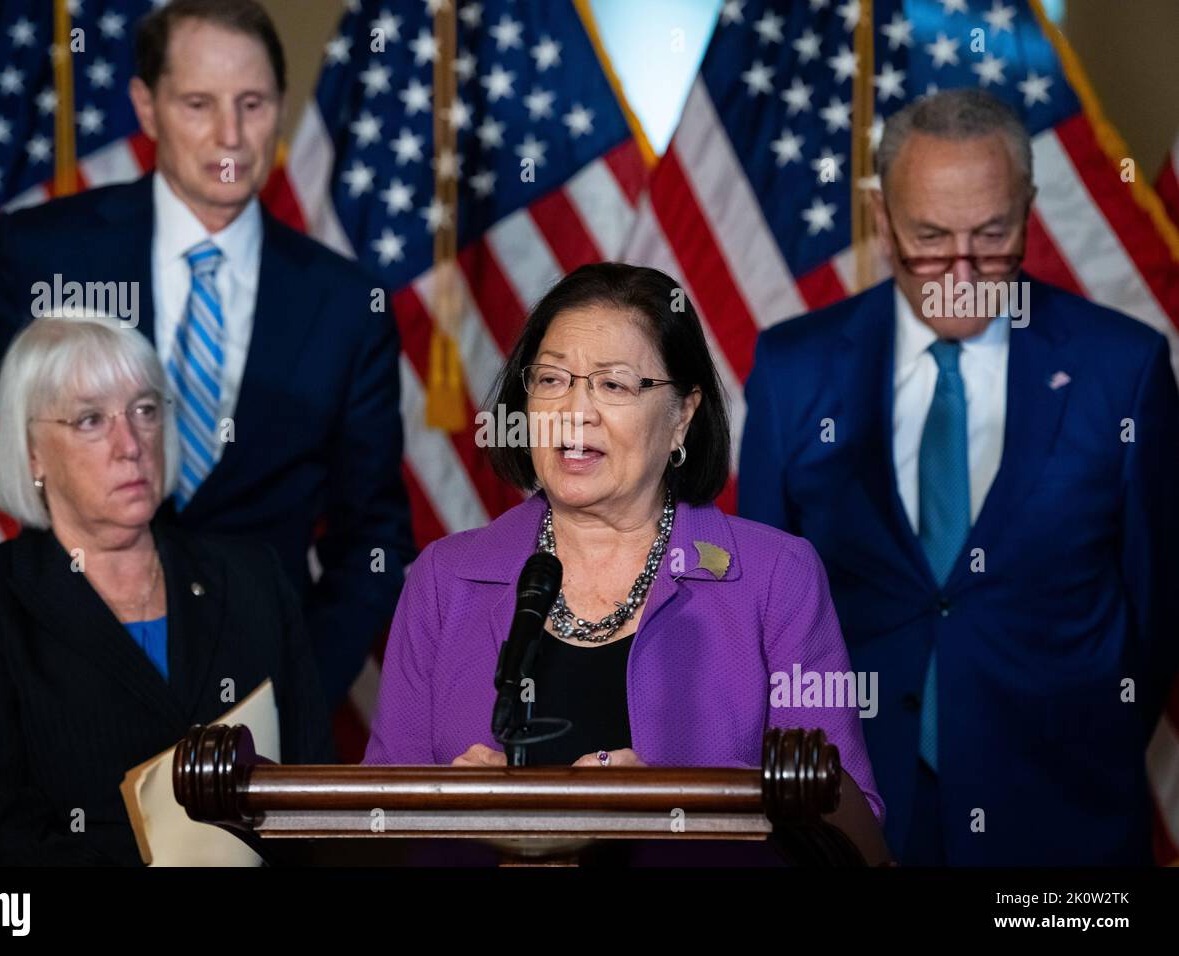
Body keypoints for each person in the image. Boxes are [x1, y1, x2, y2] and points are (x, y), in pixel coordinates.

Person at [0, 0, 413, 707]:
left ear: (281, 106)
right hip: (54, 679)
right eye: (198, 103)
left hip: (258, 704)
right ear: (147, 106)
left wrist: (298, 683)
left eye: (251, 104)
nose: (230, 134)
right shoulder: (49, 251)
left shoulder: (348, 305)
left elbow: (374, 535)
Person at [738, 89, 1179, 865]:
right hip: (849, 814)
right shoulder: (793, 367)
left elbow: (1154, 611)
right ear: (883, 220)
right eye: (931, 238)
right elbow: (764, 614)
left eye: (993, 235)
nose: (963, 272)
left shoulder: (1125, 368)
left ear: (1030, 210)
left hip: (1062, 818)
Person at [363, 263, 886, 857]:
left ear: (681, 417)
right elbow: (379, 825)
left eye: (613, 385)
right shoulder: (445, 578)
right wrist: (449, 812)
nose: (575, 412)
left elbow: (849, 833)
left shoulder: (776, 579)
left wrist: (665, 816)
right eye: (553, 379)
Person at [0, 317, 333, 865]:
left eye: (145, 411)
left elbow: (317, 791)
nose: (130, 444)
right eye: (90, 420)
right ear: (32, 452)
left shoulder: (251, 576)